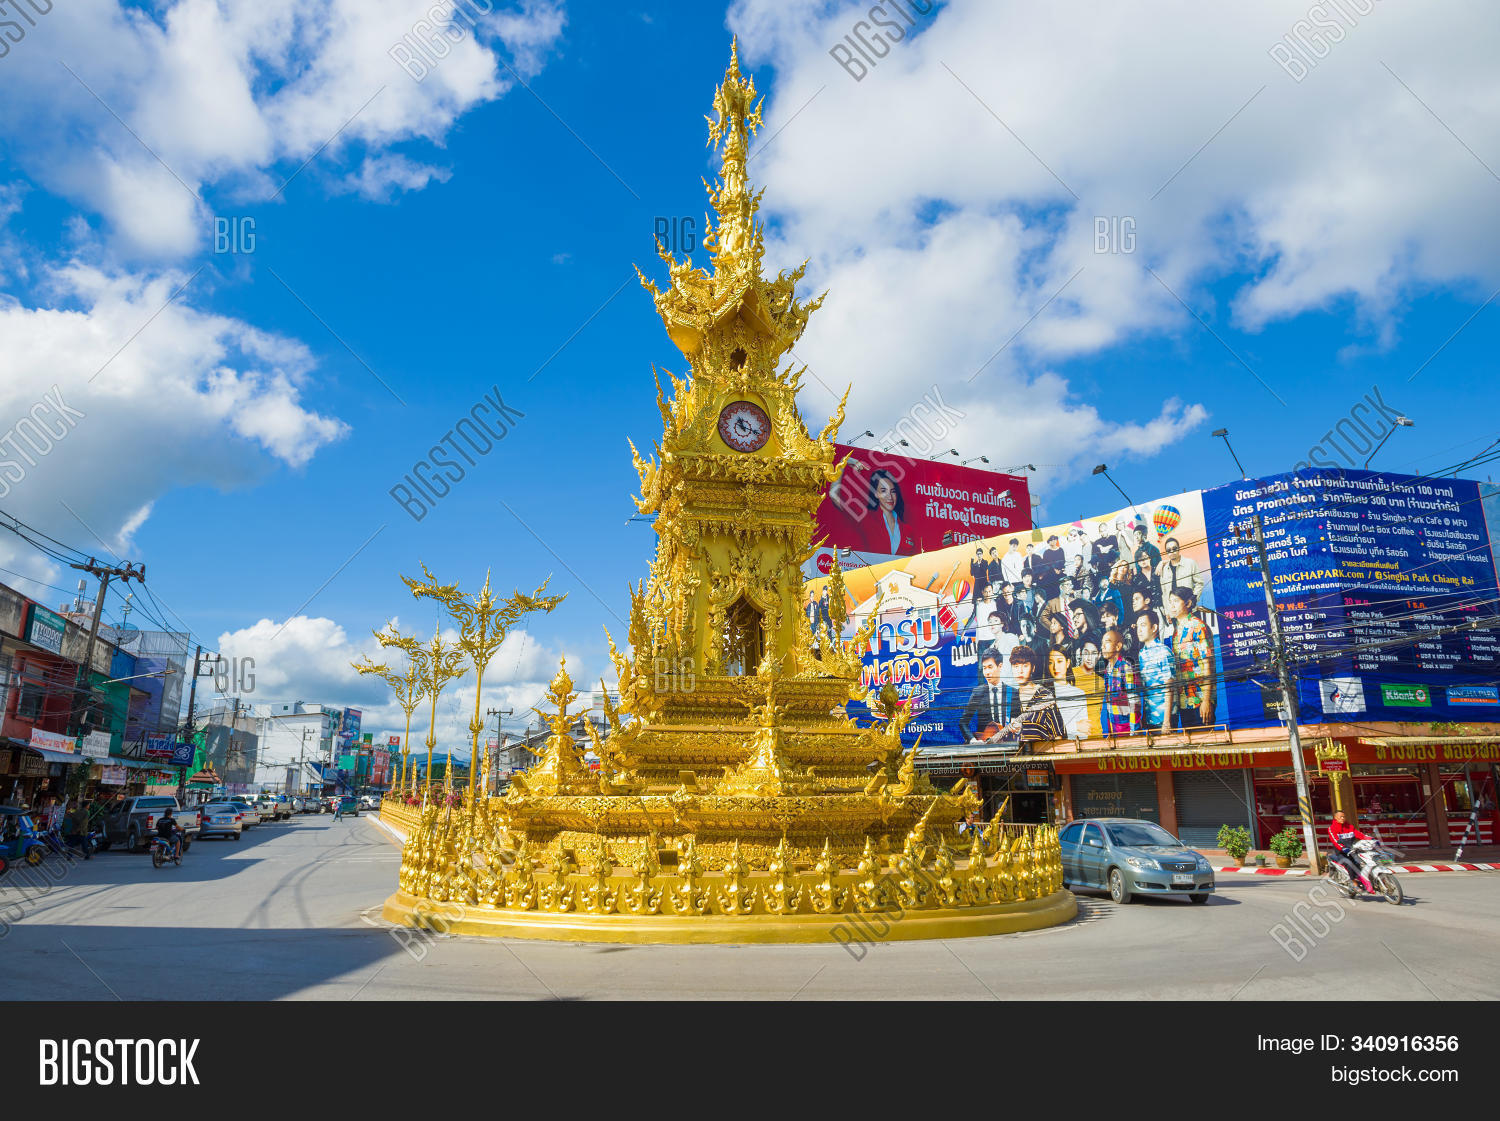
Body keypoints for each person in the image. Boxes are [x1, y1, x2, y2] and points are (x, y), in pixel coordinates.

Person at [1166, 586, 1215, 728]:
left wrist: (1206, 701)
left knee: (1204, 738)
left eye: (1176, 601)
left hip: (1200, 699)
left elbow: (1208, 665)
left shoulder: (1198, 626)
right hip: (1184, 700)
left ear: (1188, 603)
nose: (1172, 606)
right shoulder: (1177, 630)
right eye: (1170, 601)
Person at [960, 647, 1016, 744]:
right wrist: (973, 740)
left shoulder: (1013, 693)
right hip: (984, 746)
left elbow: (1018, 723)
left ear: (1000, 666)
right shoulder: (978, 692)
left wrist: (1017, 728)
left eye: (990, 667)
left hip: (1007, 745)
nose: (987, 672)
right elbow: (963, 722)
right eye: (984, 668)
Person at [1134, 609, 1175, 733]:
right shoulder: (1142, 654)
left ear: (1154, 628)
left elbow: (1170, 687)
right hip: (1149, 717)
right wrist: (1144, 716)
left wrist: (1167, 722)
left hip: (1165, 717)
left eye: (1143, 625)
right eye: (1137, 626)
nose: (1139, 630)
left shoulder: (1164, 651)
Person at [1096, 627, 1141, 735]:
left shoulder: (1126, 668)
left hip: (1126, 730)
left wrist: (1133, 733)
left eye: (1107, 642)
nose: (1102, 646)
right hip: (1114, 729)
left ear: (1118, 646)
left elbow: (1134, 702)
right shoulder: (1108, 670)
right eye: (1102, 643)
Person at [863, 469, 911, 554]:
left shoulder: (908, 529)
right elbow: (837, 498)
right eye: (884, 491)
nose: (890, 497)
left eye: (893, 491)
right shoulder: (867, 520)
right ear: (876, 494)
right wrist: (843, 464)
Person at [1047, 646, 1088, 740]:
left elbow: (1084, 731)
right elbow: (1046, 729)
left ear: (1067, 663)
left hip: (1075, 746)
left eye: (1059, 661)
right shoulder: (1044, 693)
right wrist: (1076, 726)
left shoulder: (1079, 693)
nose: (1055, 667)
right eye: (1051, 662)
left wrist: (1061, 727)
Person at [1327, 810, 1374, 892]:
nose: (1342, 818)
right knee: (1349, 863)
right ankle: (1354, 883)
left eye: (1343, 816)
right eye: (1340, 817)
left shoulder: (1350, 827)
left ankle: (1364, 880)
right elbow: (1335, 840)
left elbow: (1358, 834)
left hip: (1352, 850)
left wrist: (1369, 839)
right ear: (1335, 818)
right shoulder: (1332, 828)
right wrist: (1343, 848)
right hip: (1341, 852)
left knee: (1360, 862)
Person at [1156, 537, 1203, 607]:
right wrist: (1167, 610)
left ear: (1179, 548)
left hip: (1189, 609)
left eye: (1174, 549)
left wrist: (1193, 599)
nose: (1172, 552)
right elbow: (1164, 592)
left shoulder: (1190, 563)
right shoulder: (1164, 569)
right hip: (1172, 610)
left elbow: (1200, 583)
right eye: (1168, 550)